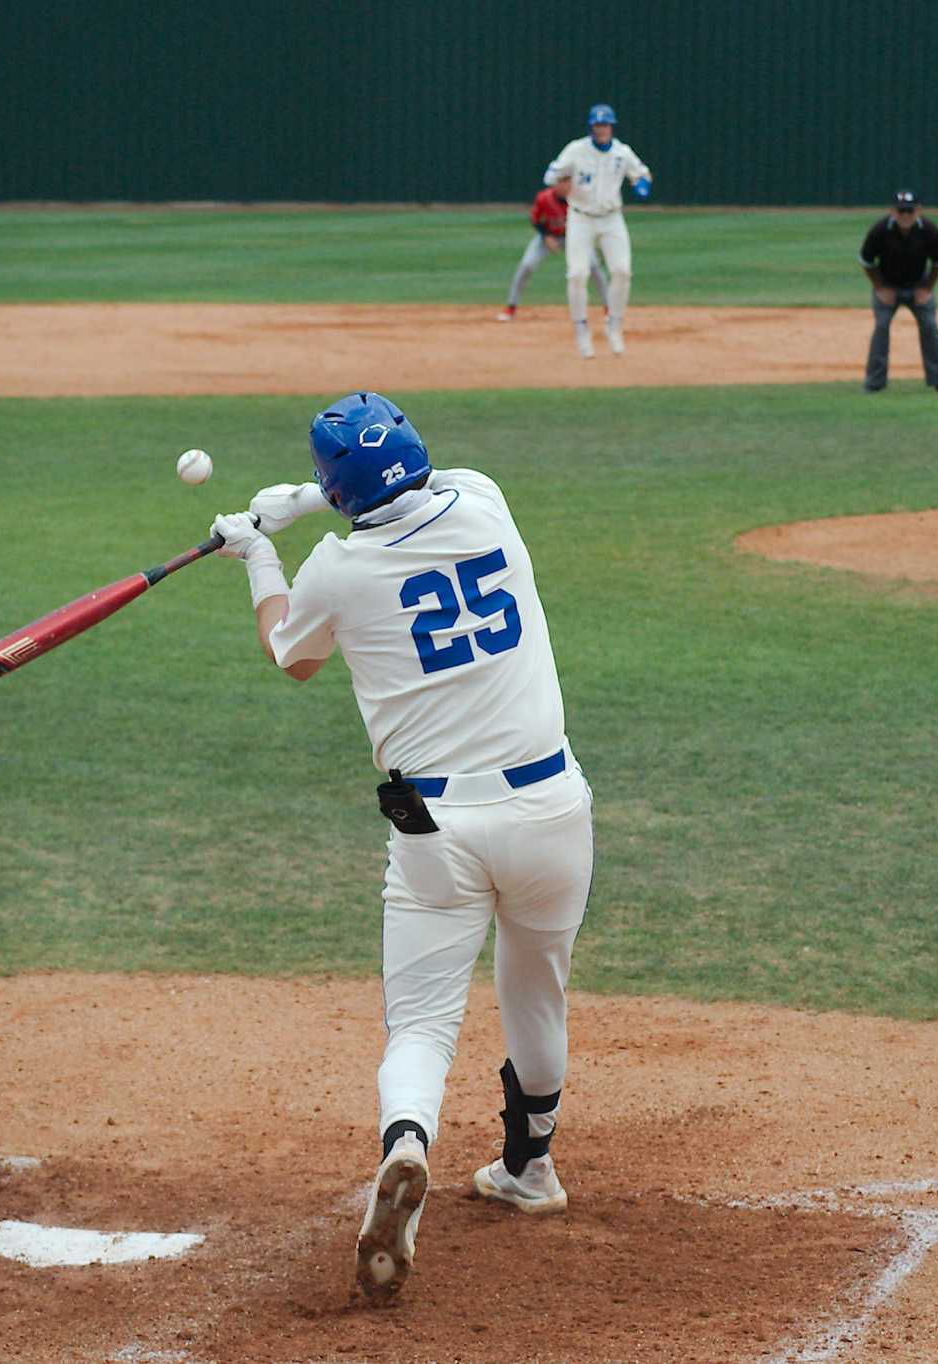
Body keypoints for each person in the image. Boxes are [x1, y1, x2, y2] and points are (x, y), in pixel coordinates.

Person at [210, 393, 595, 1303]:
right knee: (535, 992)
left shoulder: (338, 573)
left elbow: (289, 655)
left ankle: (409, 1142)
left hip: (436, 832)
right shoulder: (486, 499)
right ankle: (530, 1169)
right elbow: (416, 479)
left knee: (422, 1022)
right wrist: (312, 499)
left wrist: (258, 551)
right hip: (550, 810)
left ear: (338, 492)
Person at [544, 103, 652, 357]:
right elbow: (550, 175)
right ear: (591, 127)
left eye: (605, 124)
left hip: (611, 218)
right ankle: (581, 331)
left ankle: (614, 326)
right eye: (597, 125)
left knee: (622, 271)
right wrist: (559, 181)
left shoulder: (621, 153)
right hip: (581, 217)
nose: (601, 129)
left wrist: (642, 185)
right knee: (577, 274)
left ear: (611, 126)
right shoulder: (576, 150)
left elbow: (642, 174)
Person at [860, 189, 938, 394]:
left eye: (909, 211)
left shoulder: (930, 230)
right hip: (888, 285)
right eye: (901, 211)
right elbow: (866, 261)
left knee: (930, 326)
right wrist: (880, 287)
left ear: (918, 211)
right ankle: (874, 383)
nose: (905, 215)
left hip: (918, 285)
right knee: (881, 327)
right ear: (892, 211)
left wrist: (927, 288)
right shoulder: (880, 230)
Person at [497, 181, 607, 322]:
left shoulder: (579, 199)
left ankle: (609, 308)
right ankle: (511, 307)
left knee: (594, 268)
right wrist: (546, 236)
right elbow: (535, 219)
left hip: (575, 237)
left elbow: (591, 221)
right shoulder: (544, 198)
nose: (564, 186)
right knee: (526, 265)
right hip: (548, 237)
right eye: (560, 182)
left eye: (567, 182)